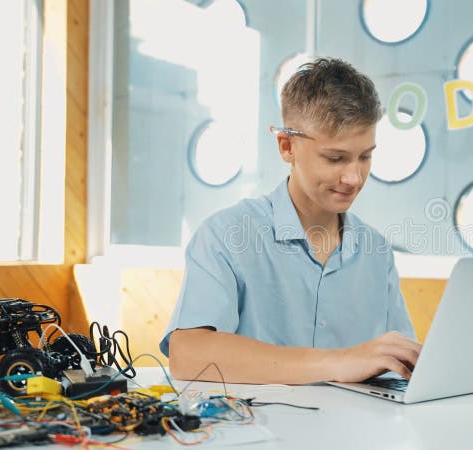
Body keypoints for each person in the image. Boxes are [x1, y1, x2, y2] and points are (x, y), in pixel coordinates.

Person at [160, 57, 421, 385]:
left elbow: (400, 362)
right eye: (335, 158)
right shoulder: (225, 236)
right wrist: (339, 362)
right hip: (258, 433)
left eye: (365, 156)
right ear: (286, 146)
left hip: (358, 433)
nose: (354, 177)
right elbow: (188, 355)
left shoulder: (377, 252)